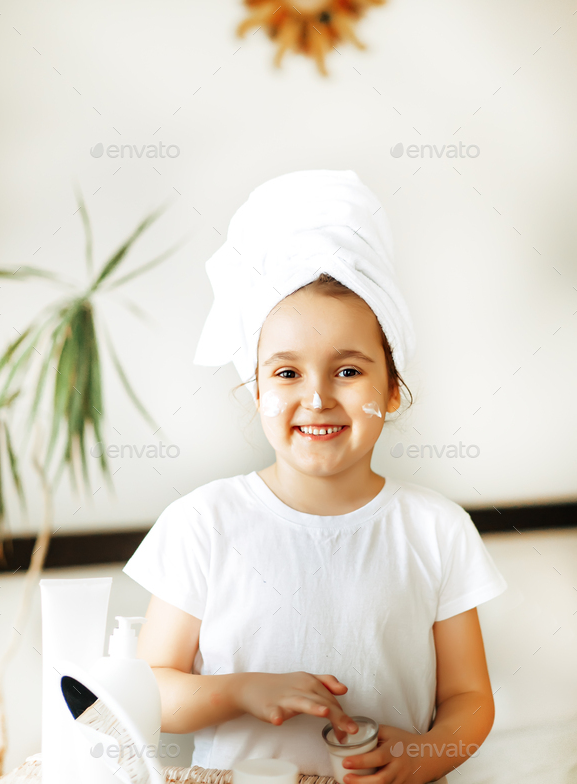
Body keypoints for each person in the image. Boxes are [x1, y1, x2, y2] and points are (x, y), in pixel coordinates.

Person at [122, 169, 508, 784]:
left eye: (349, 371)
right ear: (256, 390)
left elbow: (469, 699)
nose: (318, 398)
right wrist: (241, 690)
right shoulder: (203, 523)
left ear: (393, 389)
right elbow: (147, 695)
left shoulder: (436, 528)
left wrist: (419, 758)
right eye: (286, 373)